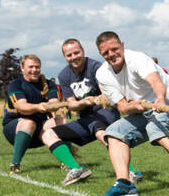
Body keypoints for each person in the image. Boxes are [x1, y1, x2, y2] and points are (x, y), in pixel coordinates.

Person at [93, 31, 169, 196]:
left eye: (114, 48)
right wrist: (131, 106)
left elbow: (156, 82)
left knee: (155, 127)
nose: (111, 54)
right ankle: (124, 184)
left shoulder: (137, 59)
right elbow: (122, 107)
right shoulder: (102, 74)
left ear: (122, 45)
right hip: (144, 110)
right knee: (113, 132)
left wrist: (161, 100)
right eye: (106, 52)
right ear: (101, 54)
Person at [2, 54, 92, 184]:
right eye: (30, 67)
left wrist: (55, 106)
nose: (34, 70)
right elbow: (21, 106)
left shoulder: (49, 84)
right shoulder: (16, 84)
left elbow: (54, 101)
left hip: (39, 129)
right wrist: (39, 107)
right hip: (16, 128)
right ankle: (15, 164)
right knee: (29, 123)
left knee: (61, 122)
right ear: (22, 68)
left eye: (37, 67)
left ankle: (68, 164)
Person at [53, 39, 125, 178]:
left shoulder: (97, 67)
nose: (74, 57)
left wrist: (100, 98)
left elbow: (106, 94)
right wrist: (84, 103)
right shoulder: (64, 75)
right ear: (64, 57)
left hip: (105, 113)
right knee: (49, 134)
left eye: (76, 52)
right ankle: (76, 169)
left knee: (99, 130)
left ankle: (130, 171)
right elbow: (71, 104)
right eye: (69, 55)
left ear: (83, 51)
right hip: (86, 118)